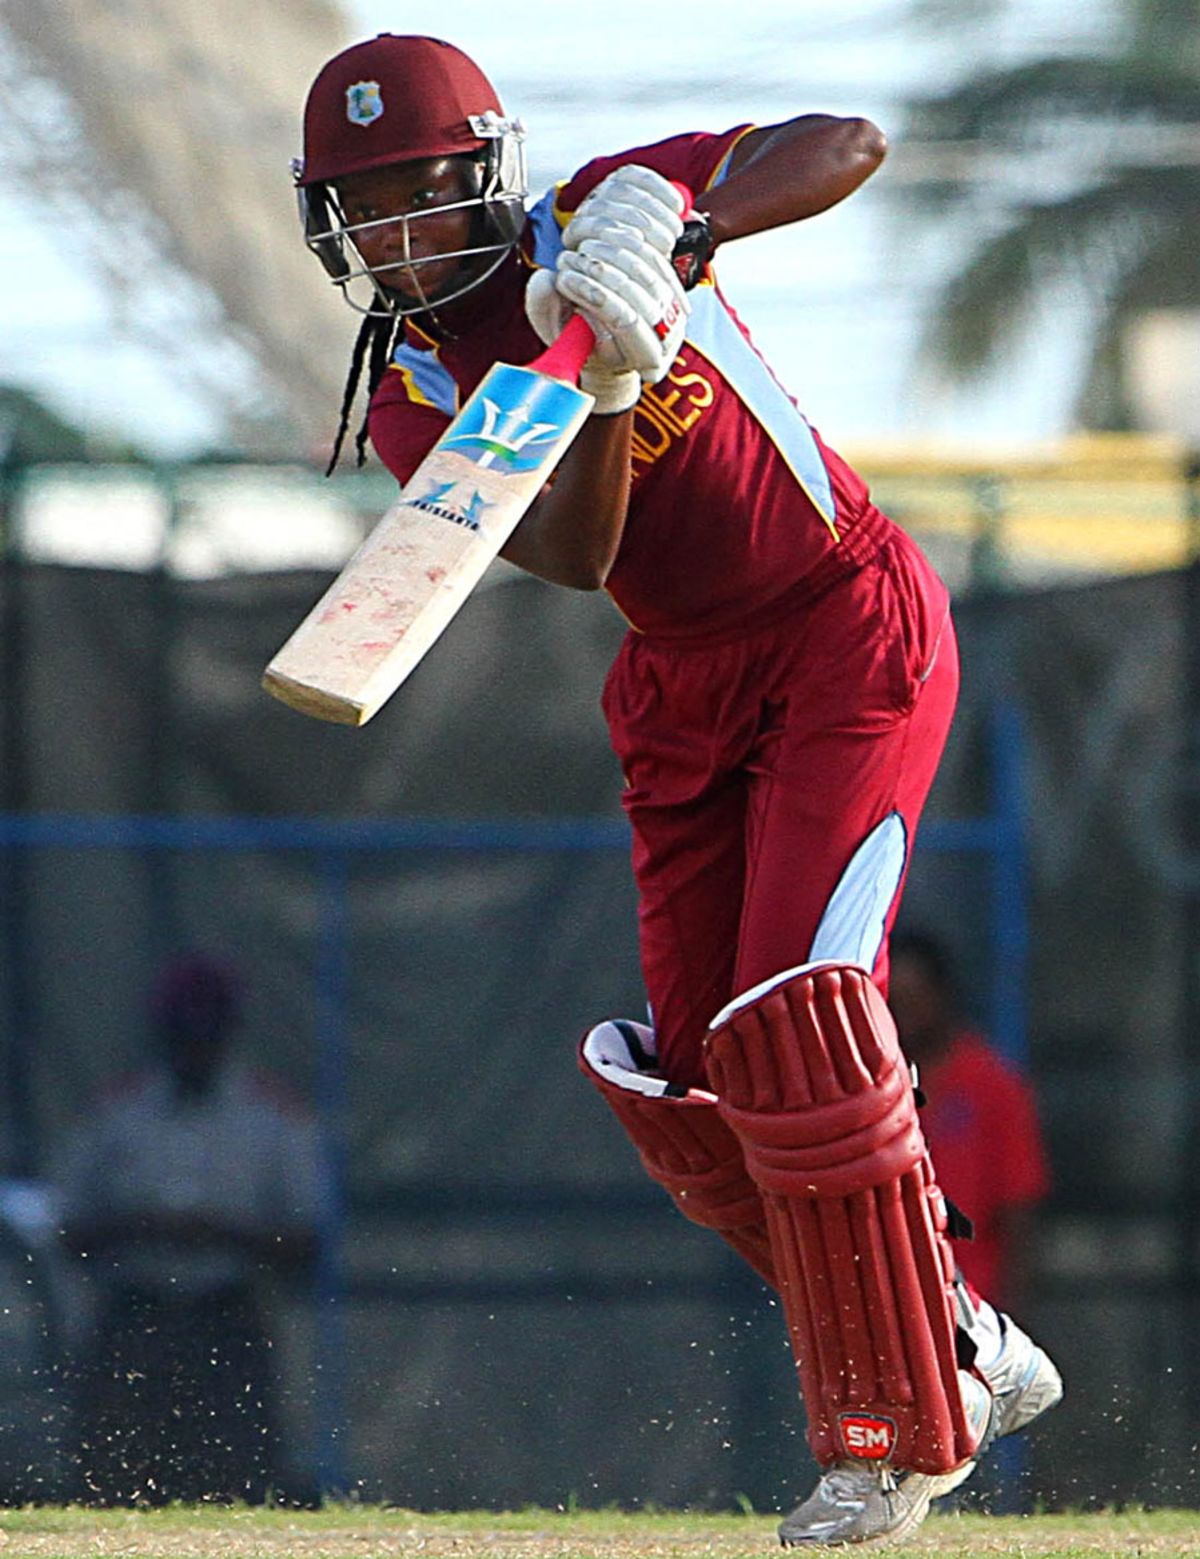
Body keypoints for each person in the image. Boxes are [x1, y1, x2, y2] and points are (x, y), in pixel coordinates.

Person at [293, 34, 1062, 1544]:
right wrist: (602, 372)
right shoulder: (412, 399)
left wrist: (682, 234)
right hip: (678, 686)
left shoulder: (607, 209)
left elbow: (848, 138)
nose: (393, 234)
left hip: (844, 623)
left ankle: (897, 1432)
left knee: (801, 1007)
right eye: (361, 207)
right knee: (696, 1079)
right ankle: (955, 1333)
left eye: (417, 192)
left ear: (487, 169)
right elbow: (579, 556)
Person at [54, 954, 322, 1505]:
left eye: (208, 1034)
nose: (195, 1048)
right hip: (135, 1314)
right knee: (112, 1476)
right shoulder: (118, 1109)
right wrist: (139, 1227)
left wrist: (224, 1235)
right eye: (183, 1033)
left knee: (237, 1479)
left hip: (228, 1314)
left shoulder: (271, 1114)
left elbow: (307, 1237)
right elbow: (69, 1229)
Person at [888, 930, 1052, 1328]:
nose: (905, 1014)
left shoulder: (992, 1084)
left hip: (974, 1308)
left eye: (916, 999)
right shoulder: (870, 1089)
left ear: (942, 995)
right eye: (895, 1002)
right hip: (890, 1310)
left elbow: (1019, 1207)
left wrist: (1010, 1320)